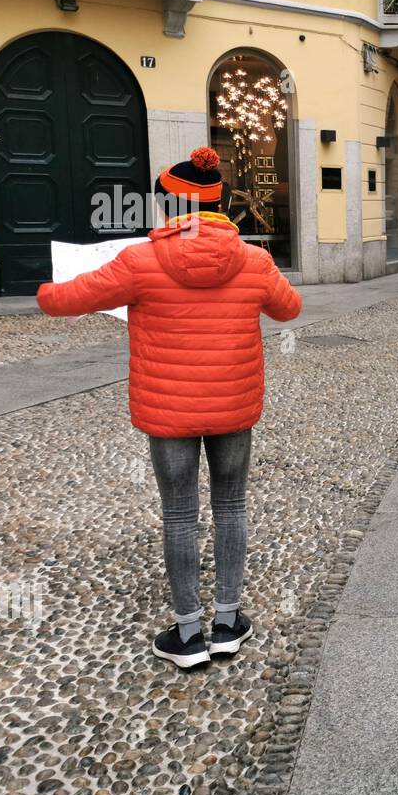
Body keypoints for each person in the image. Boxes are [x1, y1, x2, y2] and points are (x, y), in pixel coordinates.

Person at [37, 147, 302, 670]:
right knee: (232, 507)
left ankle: (188, 635)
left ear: (166, 206)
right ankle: (227, 623)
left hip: (169, 415)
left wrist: (44, 288)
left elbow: (64, 300)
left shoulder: (140, 261)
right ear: (218, 204)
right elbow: (289, 308)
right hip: (233, 407)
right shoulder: (253, 260)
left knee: (179, 513)